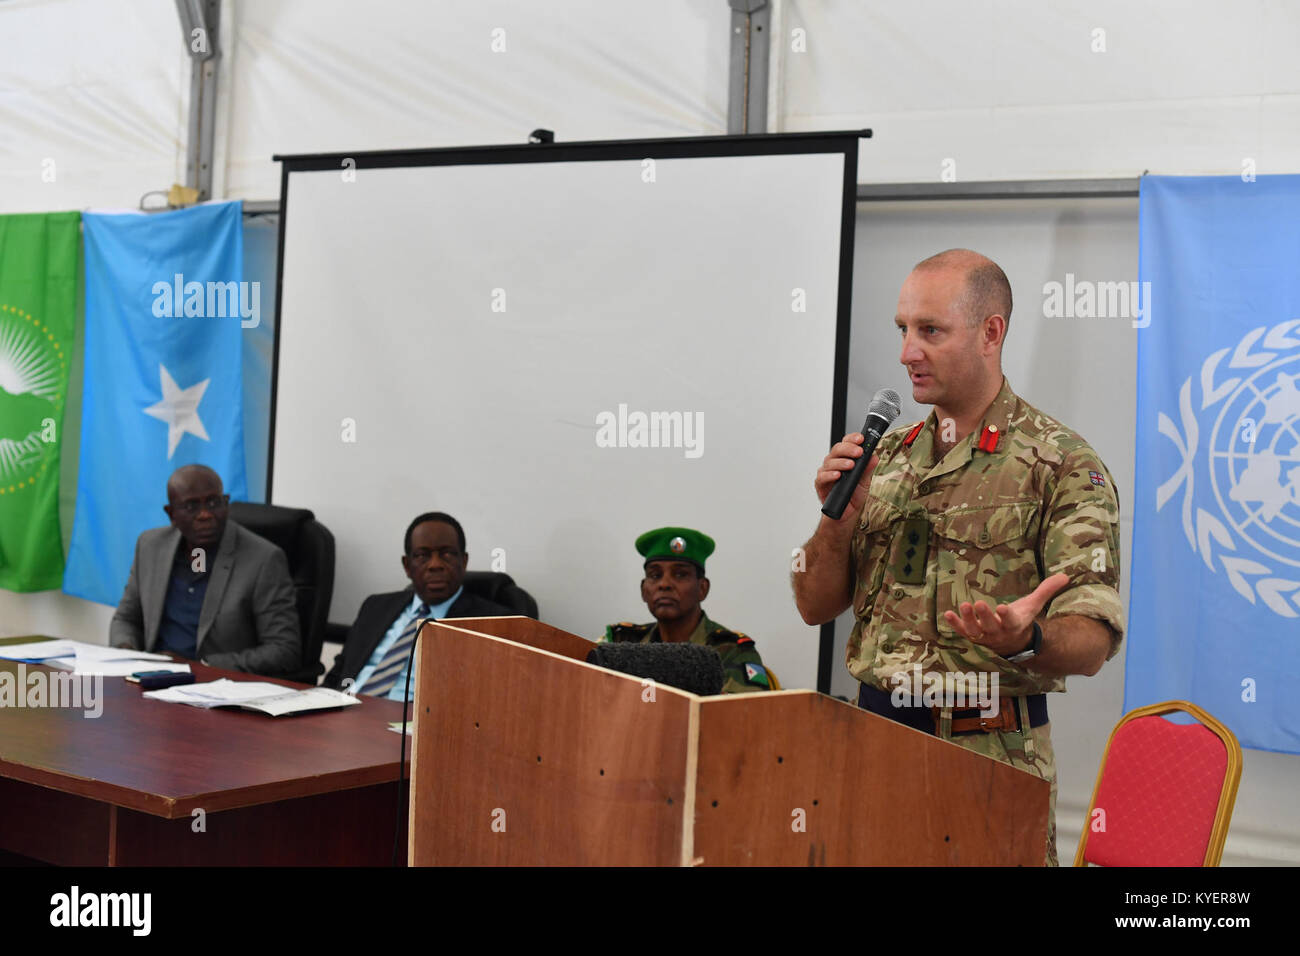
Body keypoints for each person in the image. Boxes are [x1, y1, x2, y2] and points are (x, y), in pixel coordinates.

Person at [792, 249, 1124, 867]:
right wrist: (834, 521)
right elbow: (814, 606)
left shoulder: (1061, 464)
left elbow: (1095, 642)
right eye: (902, 329)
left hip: (987, 759)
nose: (906, 352)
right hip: (876, 747)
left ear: (990, 333)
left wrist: (1029, 636)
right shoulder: (885, 457)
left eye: (930, 331)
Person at [109, 464, 302, 675]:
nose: (205, 515)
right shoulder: (150, 546)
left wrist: (202, 666)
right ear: (171, 513)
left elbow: (284, 651)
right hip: (153, 680)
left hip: (217, 688)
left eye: (213, 503)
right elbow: (126, 619)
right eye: (191, 506)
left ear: (226, 503)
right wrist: (126, 653)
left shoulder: (263, 559)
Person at [323, 511, 514, 699]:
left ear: (463, 562)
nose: (435, 565)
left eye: (446, 554)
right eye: (423, 556)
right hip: (348, 711)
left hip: (413, 725)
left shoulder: (492, 622)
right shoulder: (375, 607)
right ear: (407, 566)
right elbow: (338, 676)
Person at [602, 527, 772, 694]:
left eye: (680, 575)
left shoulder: (731, 650)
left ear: (702, 589)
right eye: (655, 575)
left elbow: (743, 715)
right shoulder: (622, 642)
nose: (664, 584)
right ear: (643, 590)